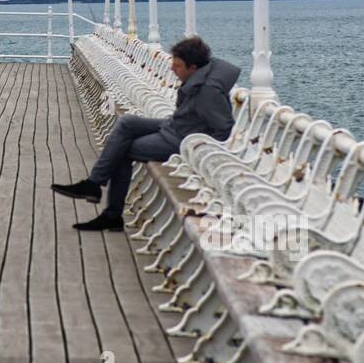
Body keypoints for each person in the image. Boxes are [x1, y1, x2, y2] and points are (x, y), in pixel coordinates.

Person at [52, 36, 240, 231]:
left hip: (181, 139)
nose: (172, 70)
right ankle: (93, 185)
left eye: (178, 66)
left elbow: (224, 128)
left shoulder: (207, 92)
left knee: (122, 151)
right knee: (127, 122)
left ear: (193, 68)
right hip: (176, 125)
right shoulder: (204, 72)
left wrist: (199, 146)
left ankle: (110, 212)